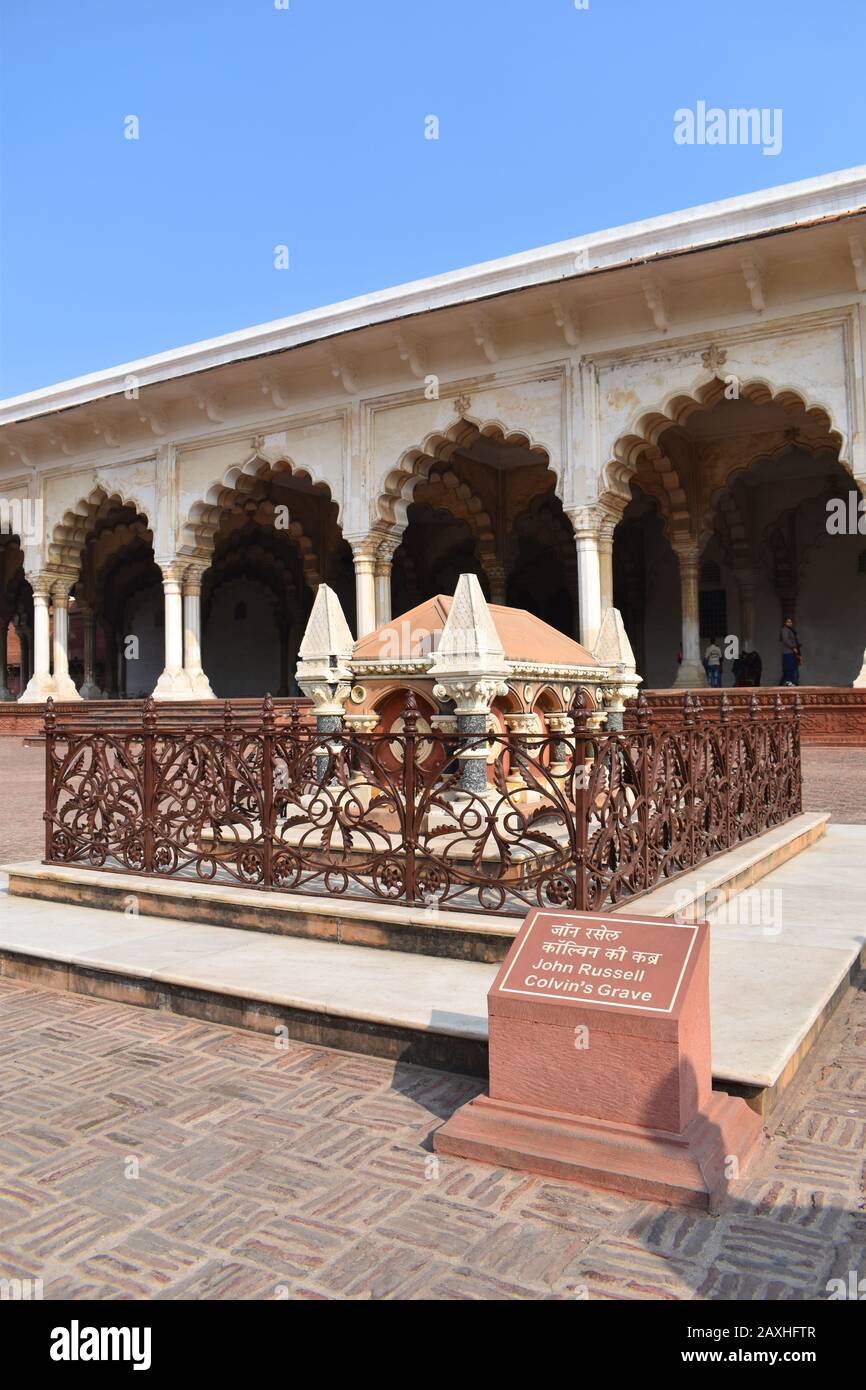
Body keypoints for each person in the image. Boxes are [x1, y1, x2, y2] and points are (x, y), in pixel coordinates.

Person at [779, 618, 801, 686]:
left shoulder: (791, 630)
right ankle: (789, 682)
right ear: (785, 623)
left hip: (792, 652)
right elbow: (786, 640)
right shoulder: (784, 630)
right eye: (788, 622)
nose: (790, 623)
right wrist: (793, 647)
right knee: (789, 667)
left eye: (791, 622)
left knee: (793, 668)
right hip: (788, 652)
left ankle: (790, 682)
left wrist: (798, 653)